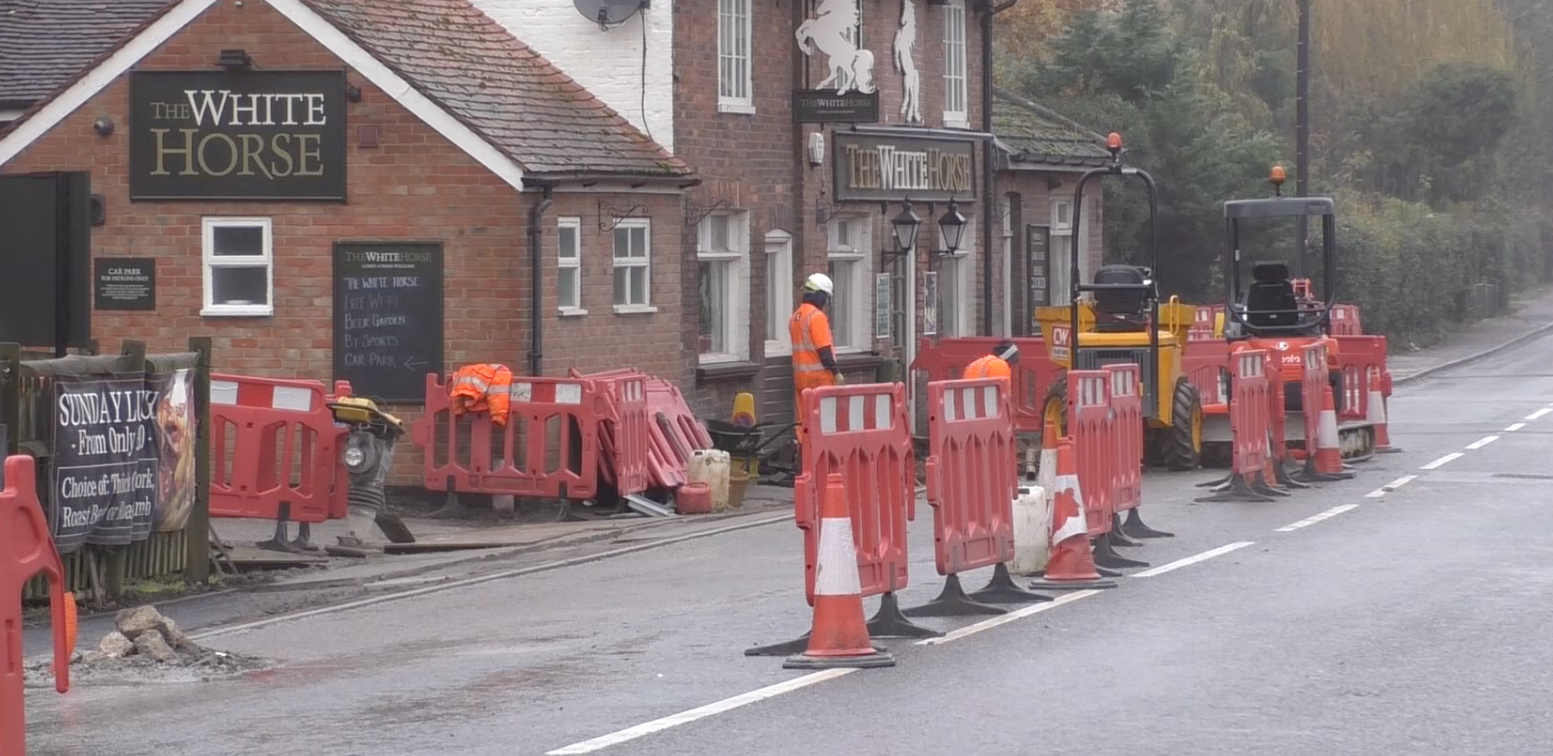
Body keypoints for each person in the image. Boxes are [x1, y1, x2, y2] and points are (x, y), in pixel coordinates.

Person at [790, 273, 844, 438]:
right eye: (826, 298)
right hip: (820, 380)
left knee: (803, 422)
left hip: (801, 379)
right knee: (824, 423)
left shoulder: (795, 317)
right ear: (820, 296)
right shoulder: (816, 317)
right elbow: (824, 352)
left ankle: (803, 453)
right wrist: (837, 373)